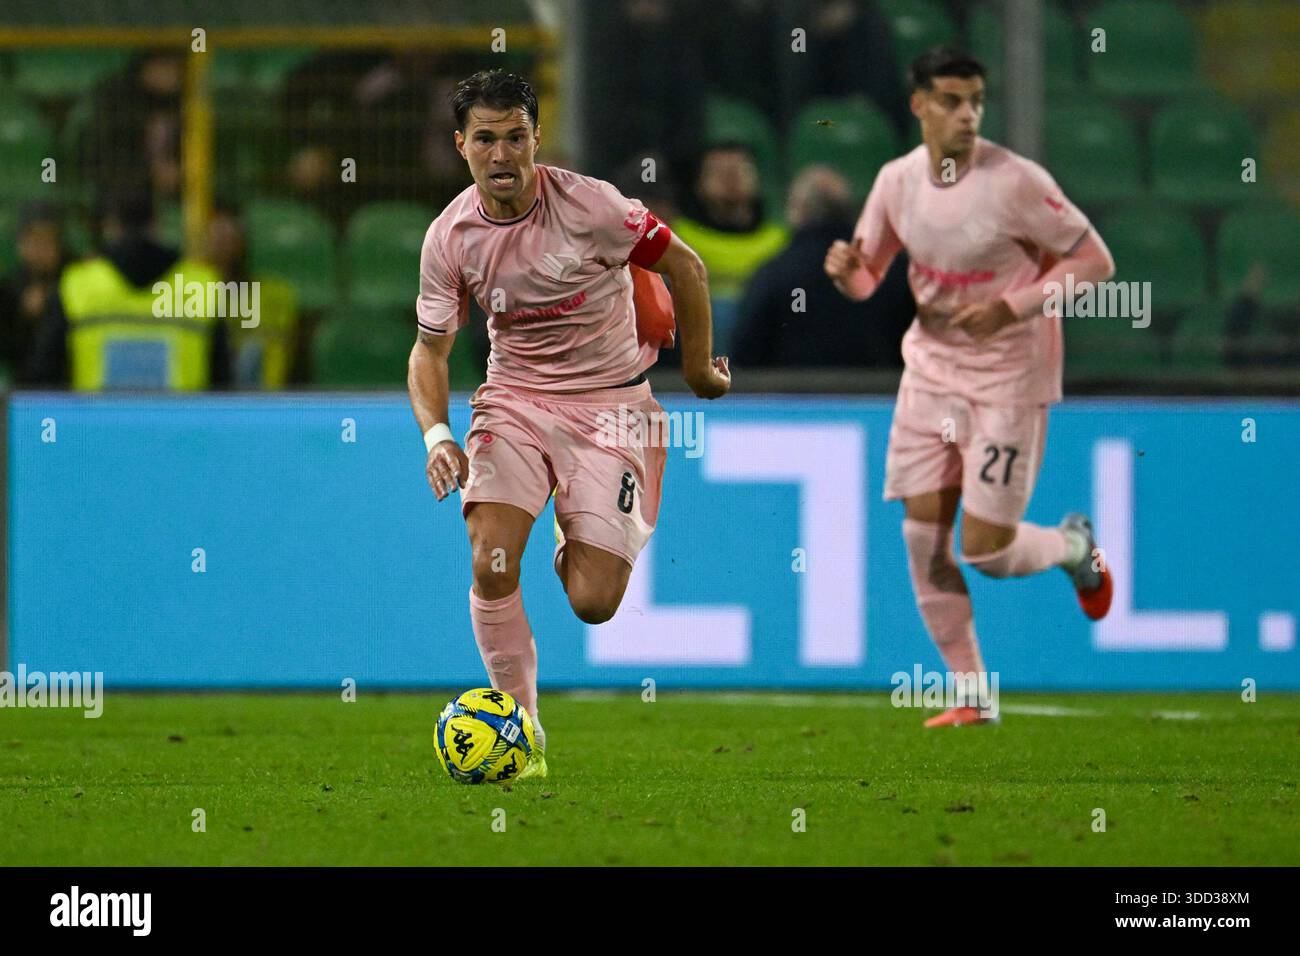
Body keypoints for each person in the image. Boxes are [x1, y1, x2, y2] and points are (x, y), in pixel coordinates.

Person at [407, 70, 730, 778]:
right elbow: (429, 351)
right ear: (462, 145)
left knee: (593, 603)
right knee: (491, 560)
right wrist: (438, 435)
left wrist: (700, 369)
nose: (502, 155)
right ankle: (520, 726)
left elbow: (687, 265)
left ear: (535, 138)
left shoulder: (591, 206)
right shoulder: (449, 237)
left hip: (613, 406)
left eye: (515, 137)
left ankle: (571, 516)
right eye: (485, 139)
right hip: (515, 400)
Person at [824, 47, 1117, 728]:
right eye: (952, 100)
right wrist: (847, 273)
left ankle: (1074, 547)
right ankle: (972, 696)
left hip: (1009, 379)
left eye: (976, 101)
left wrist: (1010, 308)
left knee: (985, 550)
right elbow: (868, 279)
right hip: (930, 372)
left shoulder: (1015, 182)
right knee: (923, 537)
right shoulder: (896, 181)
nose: (967, 114)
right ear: (918, 104)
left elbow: (1095, 260)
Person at [34, 185, 230, 390]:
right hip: (180, 422)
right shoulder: (201, 284)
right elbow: (223, 382)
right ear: (156, 224)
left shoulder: (76, 284)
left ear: (110, 225)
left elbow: (43, 378)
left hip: (95, 422)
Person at [732, 166, 913, 367]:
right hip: (881, 395)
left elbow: (745, 354)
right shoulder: (893, 268)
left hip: (794, 395)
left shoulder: (775, 275)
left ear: (796, 211)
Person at [671, 142, 789, 353]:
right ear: (699, 183)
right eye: (718, 172)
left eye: (740, 170)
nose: (730, 179)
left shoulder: (779, 241)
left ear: (758, 180)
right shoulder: (677, 237)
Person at [0, 203, 70, 385]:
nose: (41, 251)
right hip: (25, 390)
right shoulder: (10, 288)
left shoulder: (72, 281)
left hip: (69, 390)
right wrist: (25, 317)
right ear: (21, 245)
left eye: (47, 242)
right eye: (34, 241)